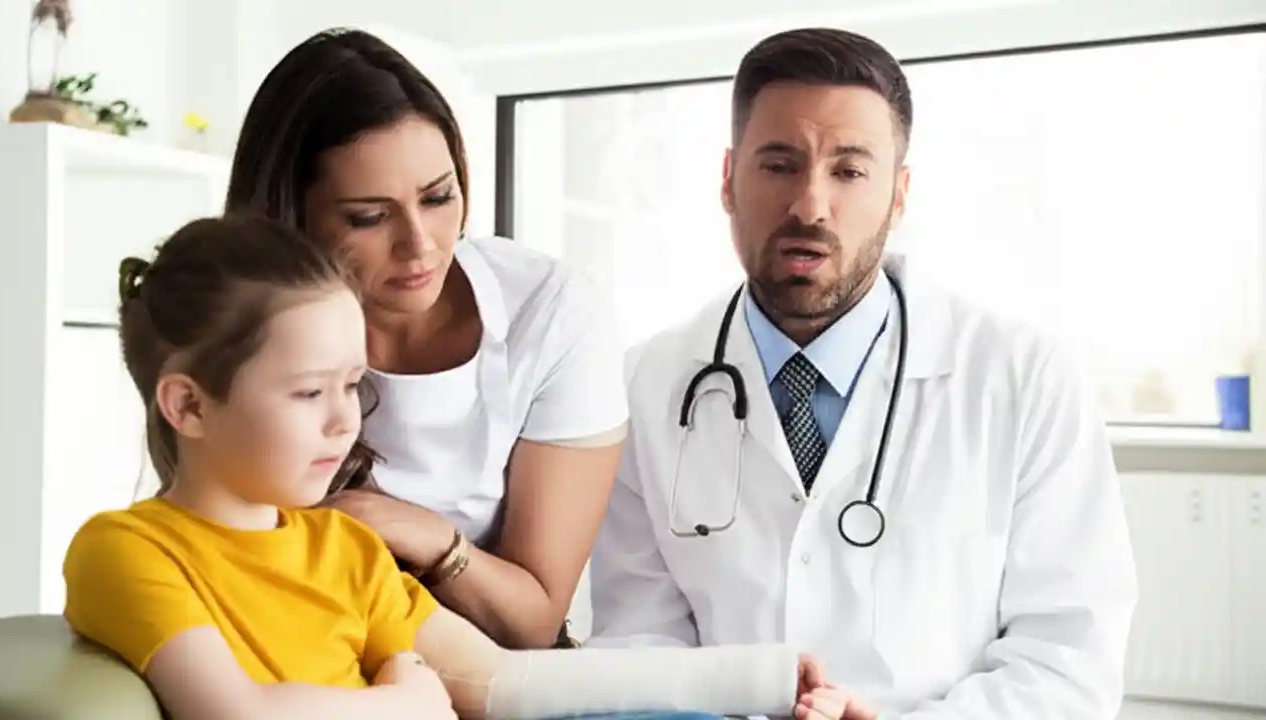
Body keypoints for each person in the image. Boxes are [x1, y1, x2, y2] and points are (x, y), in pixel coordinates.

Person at [62, 214, 866, 720]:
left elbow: (498, 684)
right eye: (309, 392)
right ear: (189, 406)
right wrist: (401, 703)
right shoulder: (128, 549)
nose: (346, 420)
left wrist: (761, 684)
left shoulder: (342, 551)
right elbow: (234, 710)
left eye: (353, 385)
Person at [587, 26, 1139, 719]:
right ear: (728, 180)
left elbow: (1068, 663)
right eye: (779, 164)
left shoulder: (1024, 380)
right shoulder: (645, 387)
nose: (810, 206)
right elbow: (640, 638)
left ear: (899, 194)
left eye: (848, 171)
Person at [224, 28, 622, 650]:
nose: (421, 244)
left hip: (499, 671)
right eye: (370, 217)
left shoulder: (551, 312)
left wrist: (419, 533)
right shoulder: (234, 329)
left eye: (439, 197)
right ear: (290, 216)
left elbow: (534, 621)